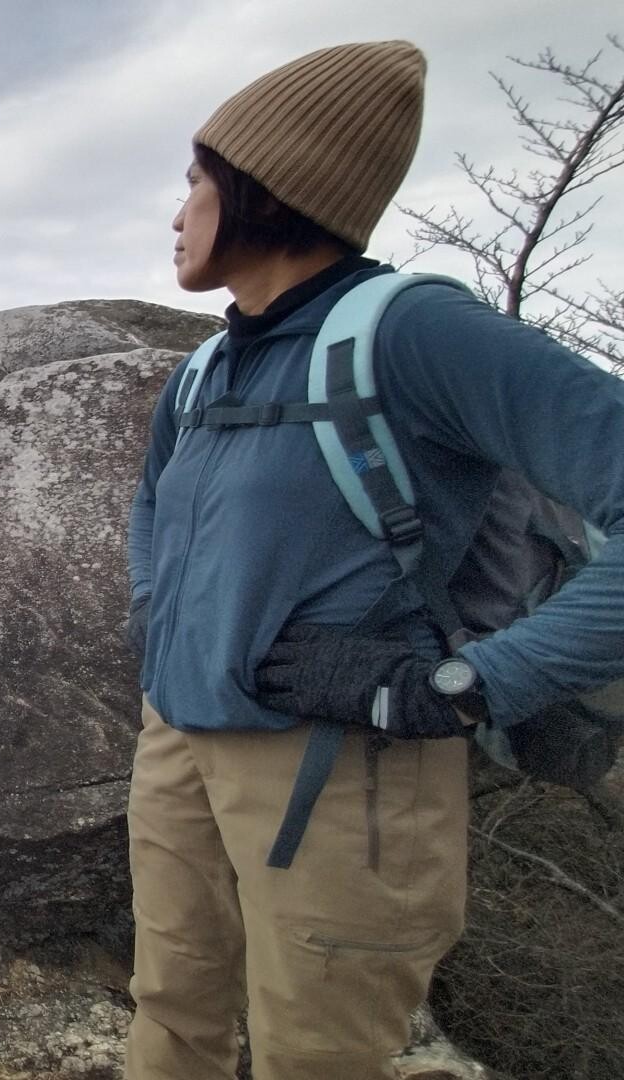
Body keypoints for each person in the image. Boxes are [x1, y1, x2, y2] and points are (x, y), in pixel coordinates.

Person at [123, 40, 624, 1080]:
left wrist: (469, 684)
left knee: (318, 1054)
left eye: (195, 184)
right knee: (169, 1019)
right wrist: (158, 637)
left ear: (267, 192)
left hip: (343, 773)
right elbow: (153, 515)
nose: (177, 215)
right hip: (177, 746)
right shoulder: (206, 366)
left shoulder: (411, 333)